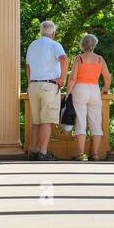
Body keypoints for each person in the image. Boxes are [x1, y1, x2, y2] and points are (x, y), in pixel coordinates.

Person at [24, 20, 68, 161]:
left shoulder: (32, 45)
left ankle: (33, 150)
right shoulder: (55, 45)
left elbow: (28, 66)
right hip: (49, 85)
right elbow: (64, 59)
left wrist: (30, 81)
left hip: (33, 85)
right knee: (46, 121)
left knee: (36, 121)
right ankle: (43, 152)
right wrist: (63, 79)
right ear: (53, 33)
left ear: (41, 32)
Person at [64, 34, 111, 161]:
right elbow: (107, 77)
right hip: (94, 89)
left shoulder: (79, 58)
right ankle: (94, 154)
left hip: (80, 89)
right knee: (96, 122)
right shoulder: (100, 59)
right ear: (94, 45)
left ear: (83, 45)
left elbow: (73, 77)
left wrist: (68, 92)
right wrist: (104, 89)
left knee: (81, 121)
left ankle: (80, 154)